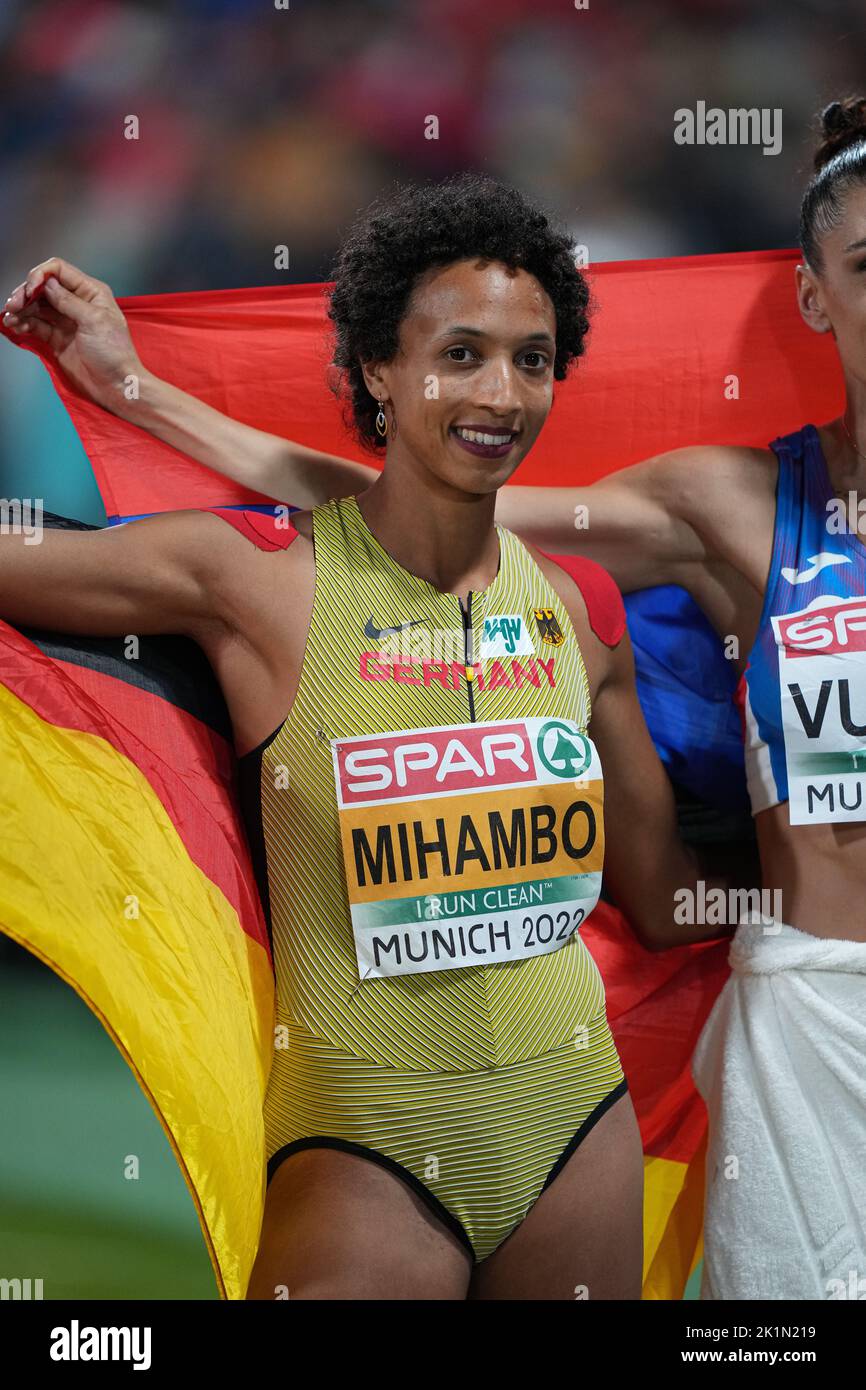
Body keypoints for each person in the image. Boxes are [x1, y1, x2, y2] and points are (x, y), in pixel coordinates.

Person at [0, 175, 741, 1301]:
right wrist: (131, 389)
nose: (500, 392)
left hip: (578, 1134)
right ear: (375, 374)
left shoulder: (581, 608)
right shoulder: (254, 581)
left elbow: (658, 894)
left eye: (532, 358)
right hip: (367, 1150)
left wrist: (798, 906)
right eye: (458, 354)